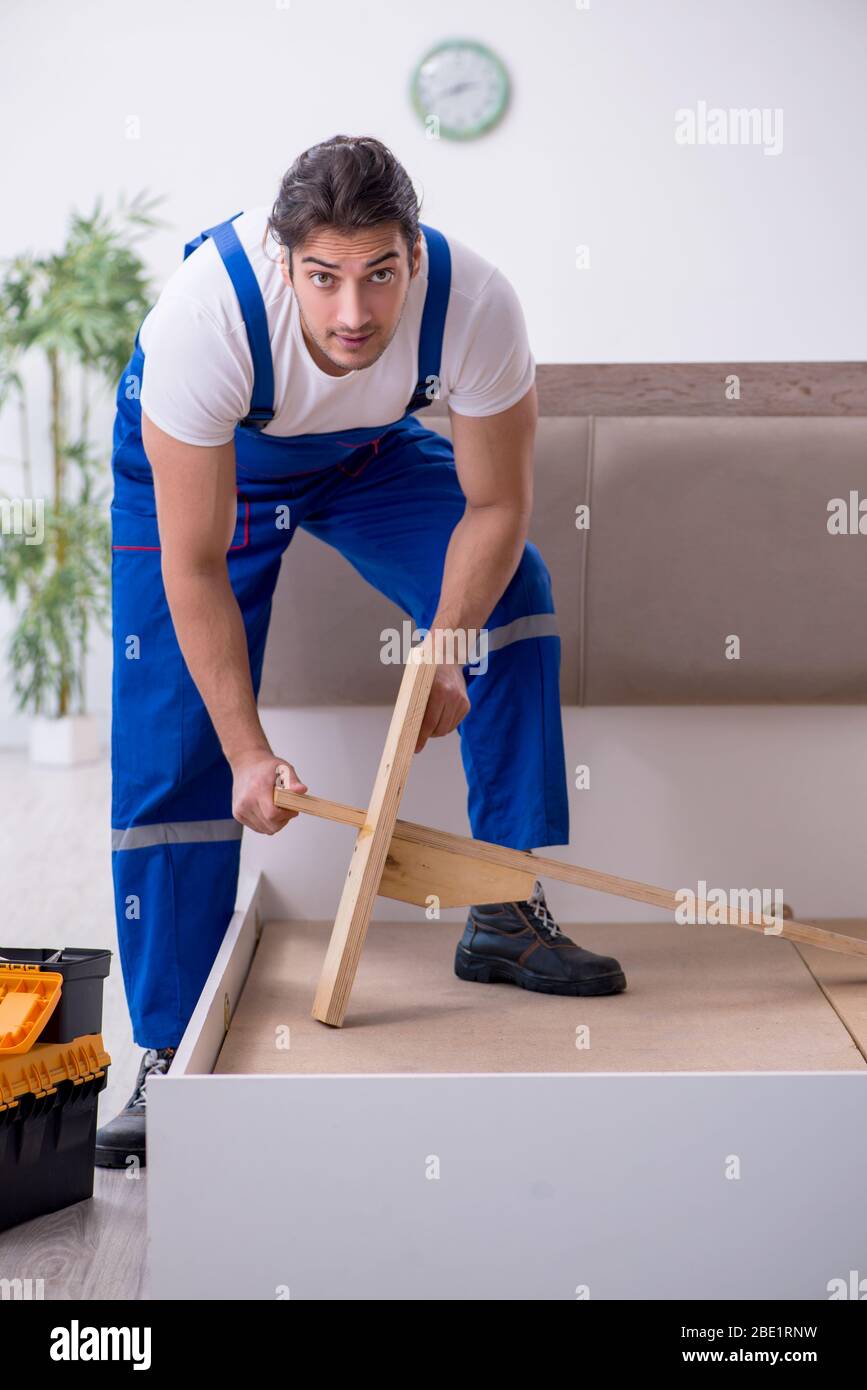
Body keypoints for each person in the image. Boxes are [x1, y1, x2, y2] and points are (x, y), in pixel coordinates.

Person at [97, 135, 626, 1168]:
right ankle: (170, 1050)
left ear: (413, 258)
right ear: (283, 260)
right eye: (326, 278)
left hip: (366, 455)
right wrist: (249, 752)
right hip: (215, 469)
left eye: (380, 273)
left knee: (517, 594)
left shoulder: (476, 305)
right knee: (176, 747)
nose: (354, 313)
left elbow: (498, 502)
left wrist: (447, 646)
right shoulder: (204, 322)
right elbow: (193, 567)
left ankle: (503, 906)